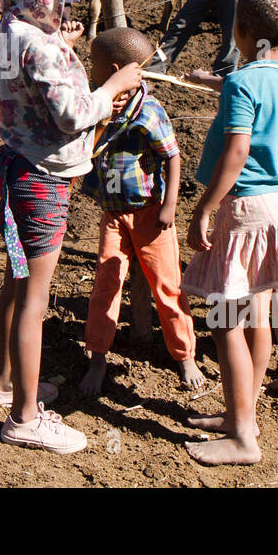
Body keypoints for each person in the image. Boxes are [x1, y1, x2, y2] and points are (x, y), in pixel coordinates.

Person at [0, 0, 142, 454]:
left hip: (14, 169)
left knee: (16, 278)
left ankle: (5, 383)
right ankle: (26, 417)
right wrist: (111, 88)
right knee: (35, 297)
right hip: (42, 182)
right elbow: (73, 114)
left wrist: (60, 47)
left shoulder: (11, 26)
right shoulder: (40, 49)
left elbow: (34, 73)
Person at [181, 0, 278, 466]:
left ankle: (243, 437)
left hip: (244, 210)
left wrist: (203, 206)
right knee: (256, 314)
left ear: (239, 31)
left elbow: (237, 150)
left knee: (224, 324)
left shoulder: (242, 83)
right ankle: (242, 413)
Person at [77, 27, 207, 397]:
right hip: (113, 214)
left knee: (167, 284)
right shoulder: (102, 103)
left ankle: (185, 356)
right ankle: (97, 355)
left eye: (95, 64)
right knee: (106, 282)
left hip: (150, 213)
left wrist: (170, 205)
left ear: (116, 68)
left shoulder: (148, 111)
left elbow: (172, 156)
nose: (91, 69)